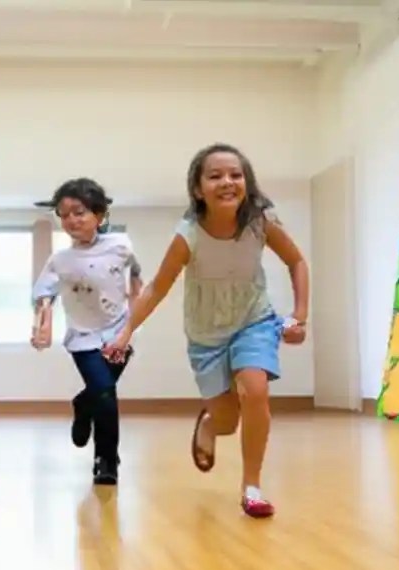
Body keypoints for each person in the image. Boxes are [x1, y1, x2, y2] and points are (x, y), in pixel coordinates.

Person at [104, 144, 309, 517]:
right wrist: (125, 332)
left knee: (255, 389)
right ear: (198, 189)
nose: (227, 182)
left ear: (246, 182)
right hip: (206, 334)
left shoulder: (260, 223)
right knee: (229, 421)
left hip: (254, 320)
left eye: (235, 174)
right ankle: (211, 425)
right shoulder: (189, 235)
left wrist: (298, 316)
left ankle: (252, 487)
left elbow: (296, 261)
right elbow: (155, 288)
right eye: (215, 176)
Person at [31, 178, 143, 485]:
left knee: (99, 394)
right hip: (83, 338)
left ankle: (83, 404)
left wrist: (131, 327)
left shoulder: (121, 245)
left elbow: (136, 282)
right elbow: (43, 295)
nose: (70, 220)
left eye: (78, 212)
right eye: (64, 215)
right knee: (106, 394)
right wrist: (41, 327)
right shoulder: (60, 260)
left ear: (99, 214)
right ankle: (106, 460)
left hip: (119, 333)